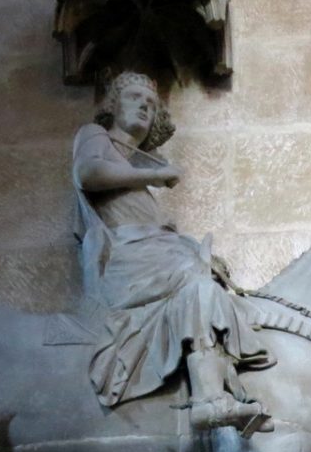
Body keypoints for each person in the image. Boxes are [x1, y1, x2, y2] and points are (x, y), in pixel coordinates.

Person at [72, 71, 273, 433]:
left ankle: (224, 381)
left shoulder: (134, 163)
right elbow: (88, 173)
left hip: (156, 253)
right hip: (127, 258)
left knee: (211, 282)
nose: (144, 107)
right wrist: (153, 175)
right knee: (196, 284)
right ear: (113, 104)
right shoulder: (96, 136)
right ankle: (208, 402)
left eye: (150, 104)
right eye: (134, 98)